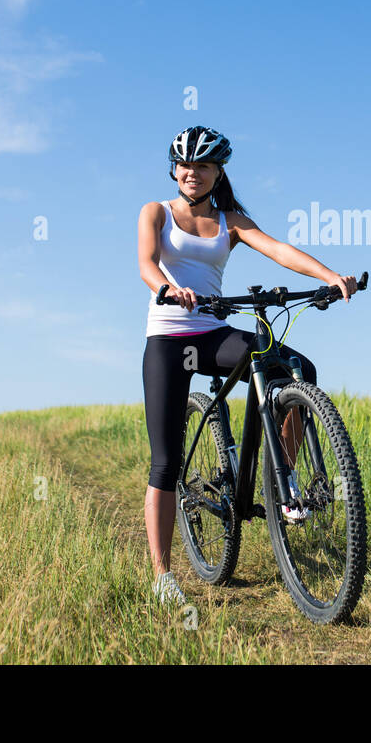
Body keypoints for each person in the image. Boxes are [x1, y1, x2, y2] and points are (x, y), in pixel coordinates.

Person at [137, 126, 358, 605]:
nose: (191, 173)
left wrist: (329, 277)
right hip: (169, 340)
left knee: (297, 368)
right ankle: (162, 576)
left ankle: (284, 482)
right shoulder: (156, 212)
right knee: (165, 461)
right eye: (185, 165)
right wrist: (169, 288)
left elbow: (278, 249)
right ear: (174, 170)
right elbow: (147, 263)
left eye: (202, 166)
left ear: (218, 172)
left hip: (213, 334)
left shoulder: (229, 220)